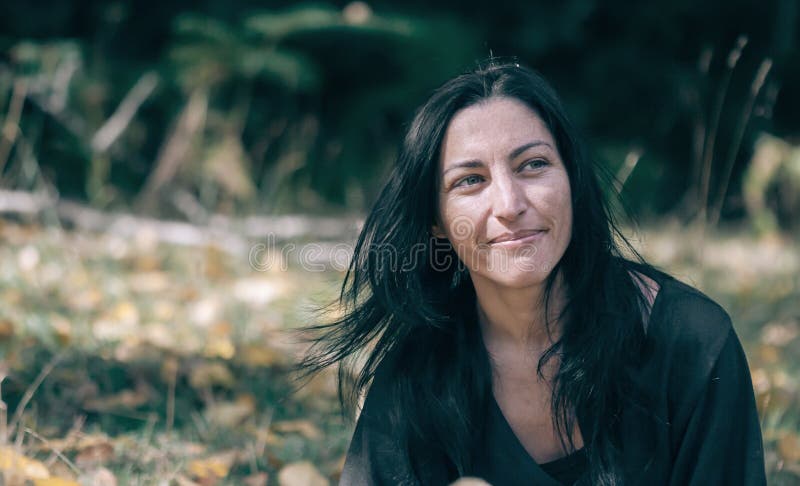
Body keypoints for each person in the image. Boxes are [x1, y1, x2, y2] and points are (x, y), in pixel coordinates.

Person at [299, 60, 766, 485]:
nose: (509, 204)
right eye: (470, 180)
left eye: (533, 165)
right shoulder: (414, 379)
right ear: (435, 222)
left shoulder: (691, 342)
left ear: (572, 179)